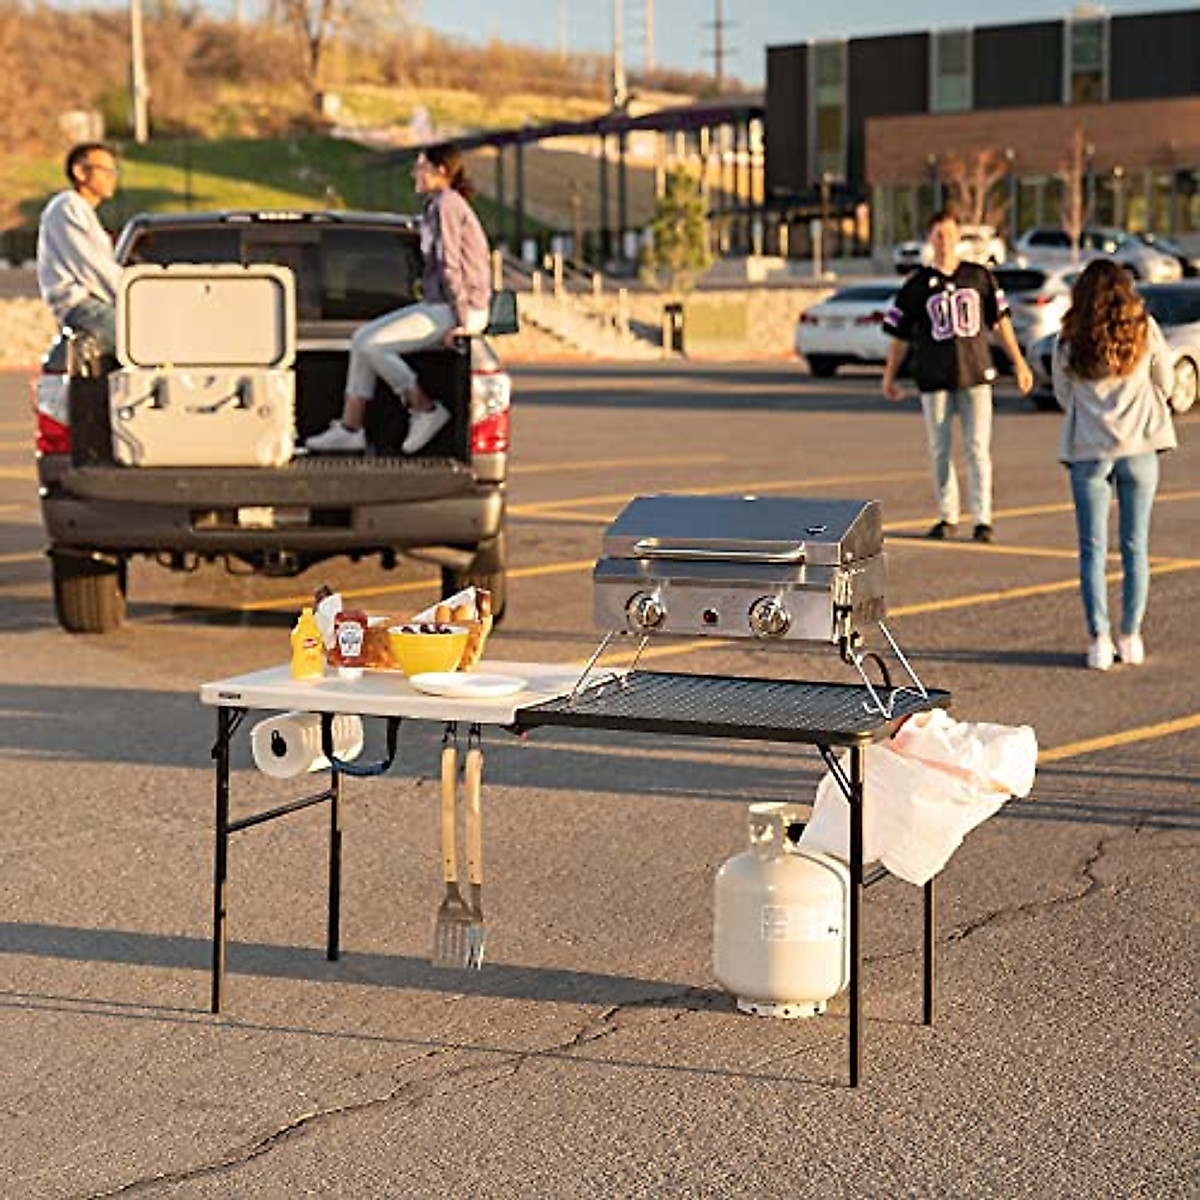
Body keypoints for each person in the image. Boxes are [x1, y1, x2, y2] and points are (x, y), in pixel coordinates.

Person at [307, 142, 492, 455]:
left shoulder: (447, 204)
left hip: (460, 308)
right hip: (444, 304)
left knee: (370, 343)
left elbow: (451, 265)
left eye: (420, 167)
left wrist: (461, 323)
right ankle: (351, 428)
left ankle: (424, 408)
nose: (413, 173)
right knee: (362, 338)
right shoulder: (438, 204)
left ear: (441, 172)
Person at [1052, 258, 1177, 671]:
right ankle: (1131, 636)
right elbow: (1166, 382)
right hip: (1140, 448)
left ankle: (1099, 641)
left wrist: (1091, 413)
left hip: (1089, 450)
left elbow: (1062, 393)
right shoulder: (1144, 328)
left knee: (1091, 549)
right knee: (1135, 546)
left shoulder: (1069, 337)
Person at [881, 209, 1034, 543]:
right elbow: (899, 334)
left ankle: (983, 519)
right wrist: (889, 375)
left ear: (959, 238)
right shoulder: (916, 284)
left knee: (978, 448)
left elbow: (1001, 322)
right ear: (929, 239)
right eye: (938, 235)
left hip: (976, 372)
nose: (944, 241)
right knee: (939, 449)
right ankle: (947, 515)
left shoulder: (979, 276)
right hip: (934, 376)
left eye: (950, 234)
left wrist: (1020, 363)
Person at [36, 142, 122, 357]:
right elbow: (93, 268)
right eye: (106, 170)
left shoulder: (81, 210)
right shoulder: (68, 206)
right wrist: (133, 295)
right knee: (151, 343)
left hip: (92, 307)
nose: (113, 177)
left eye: (115, 171)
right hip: (84, 308)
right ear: (80, 172)